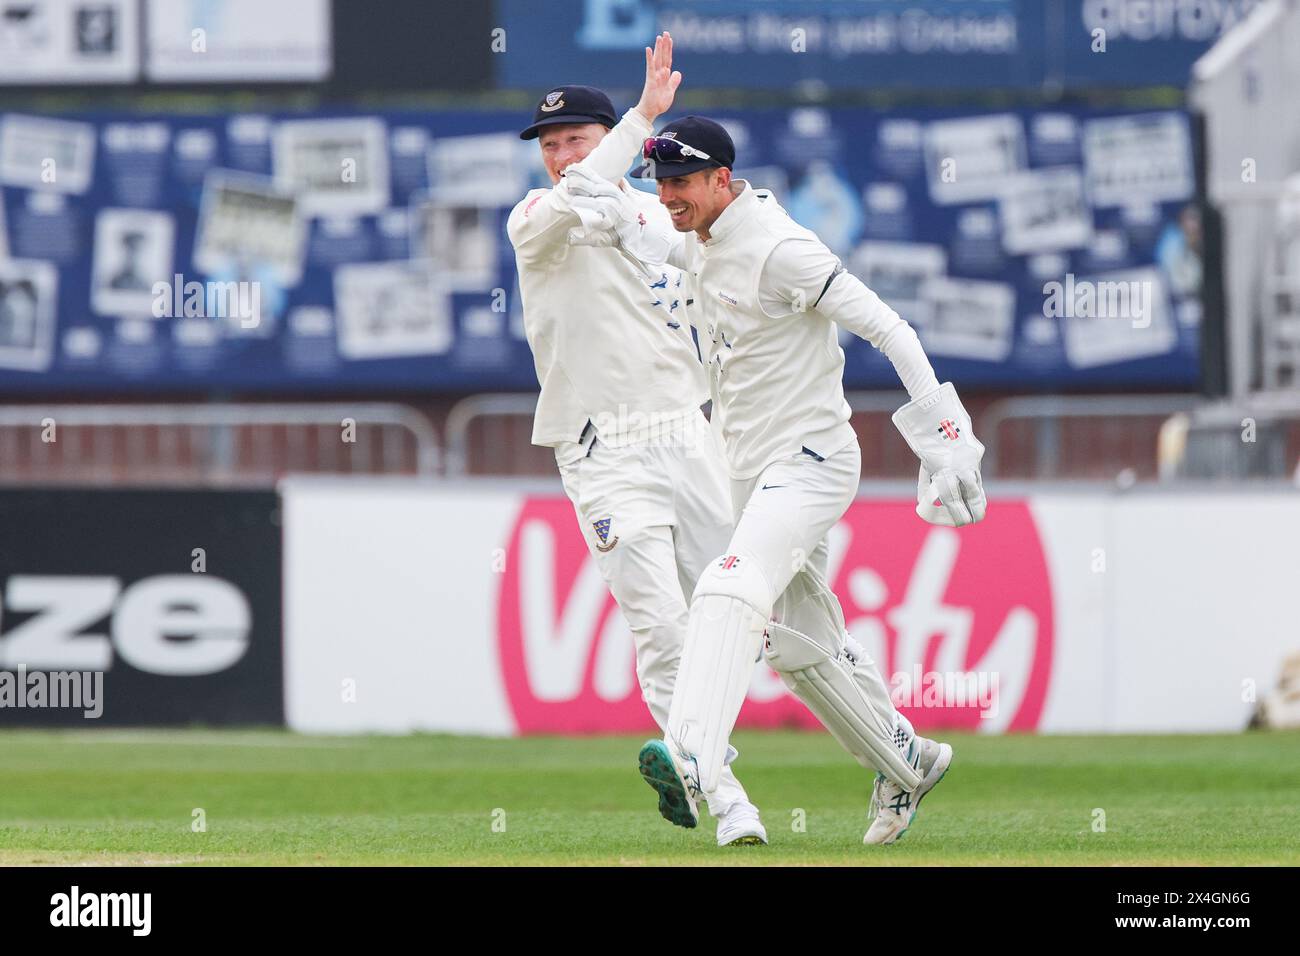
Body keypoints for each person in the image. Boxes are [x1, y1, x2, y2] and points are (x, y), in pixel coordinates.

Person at [565, 115, 988, 845]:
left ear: (723, 179)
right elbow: (673, 246)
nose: (668, 195)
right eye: (659, 183)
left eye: (683, 182)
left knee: (730, 584)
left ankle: (690, 758)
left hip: (813, 461)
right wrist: (625, 221)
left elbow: (890, 328)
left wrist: (944, 439)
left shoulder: (782, 248)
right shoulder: (704, 239)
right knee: (800, 646)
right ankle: (907, 759)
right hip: (747, 473)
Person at [505, 35, 766, 846]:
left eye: (574, 140)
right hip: (601, 450)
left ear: (608, 137)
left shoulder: (662, 212)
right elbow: (581, 192)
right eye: (549, 145)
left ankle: (884, 748)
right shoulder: (534, 220)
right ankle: (727, 802)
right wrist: (646, 114)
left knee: (747, 613)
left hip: (688, 434)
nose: (559, 156)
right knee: (661, 628)